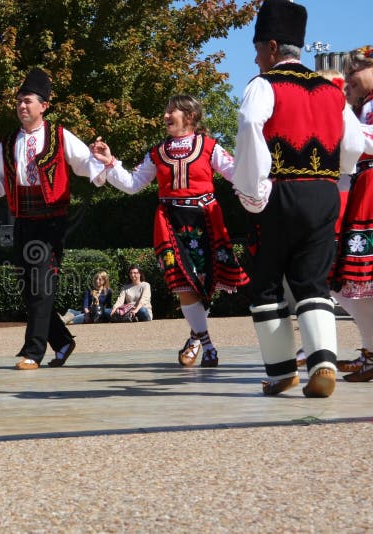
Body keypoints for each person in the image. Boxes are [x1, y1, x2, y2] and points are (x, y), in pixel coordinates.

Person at [233, 0, 364, 397]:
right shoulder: (331, 90)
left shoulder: (264, 85)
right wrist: (339, 176)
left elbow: (249, 125)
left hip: (280, 190)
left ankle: (281, 371)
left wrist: (253, 191)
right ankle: (323, 361)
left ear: (272, 47)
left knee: (268, 282)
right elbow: (354, 142)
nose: (255, 58)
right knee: (312, 281)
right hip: (323, 193)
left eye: (257, 49)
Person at [91, 95, 248, 366]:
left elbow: (238, 174)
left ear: (190, 116)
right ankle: (207, 344)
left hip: (206, 221)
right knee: (185, 284)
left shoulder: (210, 147)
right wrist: (109, 162)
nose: (165, 116)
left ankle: (196, 339)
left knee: (206, 284)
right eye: (165, 111)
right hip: (171, 223)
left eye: (171, 111)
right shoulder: (157, 152)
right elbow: (132, 184)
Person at [0, 67, 107, 370]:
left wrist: (100, 161)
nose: (21, 106)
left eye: (28, 101)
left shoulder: (60, 136)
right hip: (24, 220)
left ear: (44, 105)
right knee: (28, 288)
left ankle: (33, 352)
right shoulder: (7, 144)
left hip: (51, 221)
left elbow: (85, 163)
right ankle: (63, 341)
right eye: (19, 101)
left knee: (42, 286)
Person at [331, 46, 373, 382]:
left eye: (354, 70)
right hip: (361, 192)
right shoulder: (362, 109)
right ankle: (371, 350)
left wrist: (339, 109)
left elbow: (362, 142)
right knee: (347, 279)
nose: (348, 79)